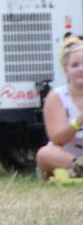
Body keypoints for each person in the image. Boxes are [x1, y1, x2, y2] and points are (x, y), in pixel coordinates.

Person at [36, 33, 83, 177]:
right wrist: (77, 122)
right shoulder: (56, 96)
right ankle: (77, 166)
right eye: (75, 65)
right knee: (44, 154)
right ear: (66, 70)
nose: (81, 69)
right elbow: (57, 138)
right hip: (67, 155)